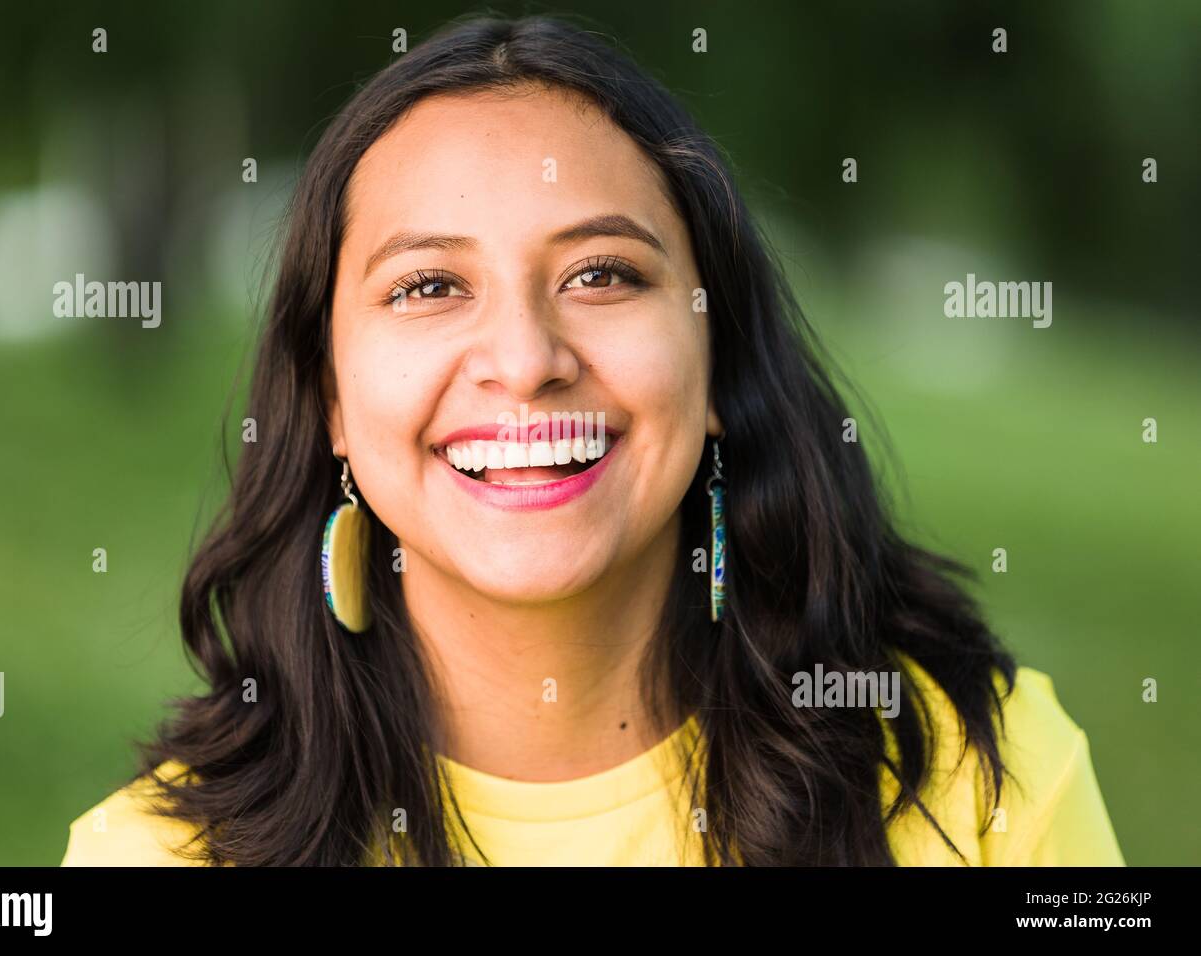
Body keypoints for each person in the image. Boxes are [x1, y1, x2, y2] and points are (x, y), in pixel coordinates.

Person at [60, 14, 1123, 867]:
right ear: (329, 395)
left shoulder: (973, 777)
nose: (524, 359)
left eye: (602, 273)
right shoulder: (158, 854)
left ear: (717, 363)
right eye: (429, 285)